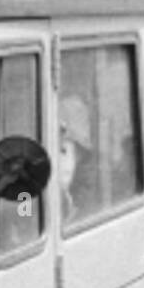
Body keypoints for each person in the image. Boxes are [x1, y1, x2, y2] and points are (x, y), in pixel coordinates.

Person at [58, 93, 93, 226]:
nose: (59, 163)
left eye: (63, 152)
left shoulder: (88, 202)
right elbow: (24, 219)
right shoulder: (26, 194)